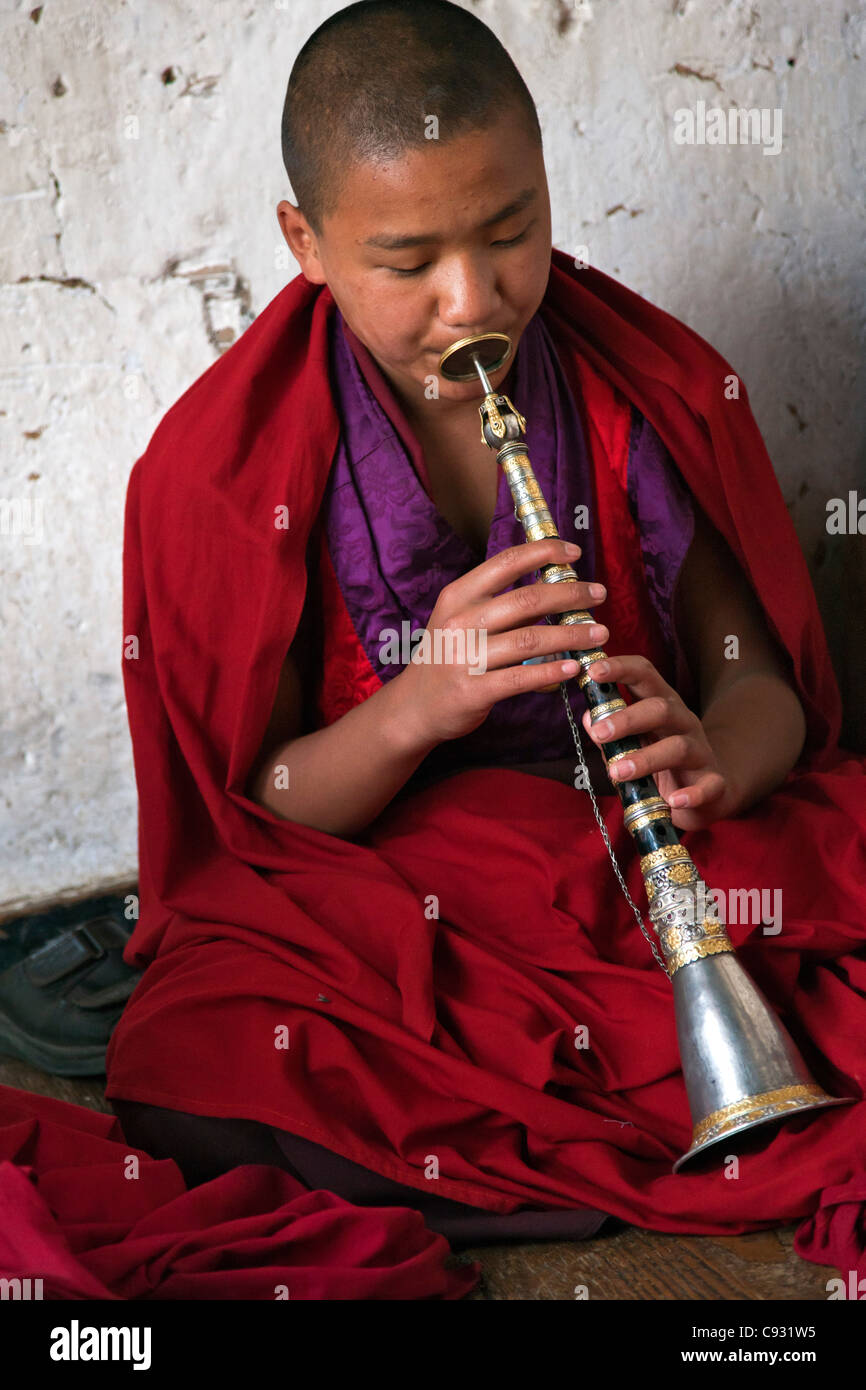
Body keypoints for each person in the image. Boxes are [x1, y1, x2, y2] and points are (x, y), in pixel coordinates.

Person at [106, 0, 866, 1249]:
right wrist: (420, 705)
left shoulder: (636, 384)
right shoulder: (218, 471)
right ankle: (575, 1147)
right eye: (406, 264)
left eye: (511, 232)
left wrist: (721, 755)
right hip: (397, 896)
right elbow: (255, 810)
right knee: (202, 1042)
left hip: (633, 853)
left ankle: (507, 1164)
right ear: (304, 240)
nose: (473, 300)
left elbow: (754, 675)